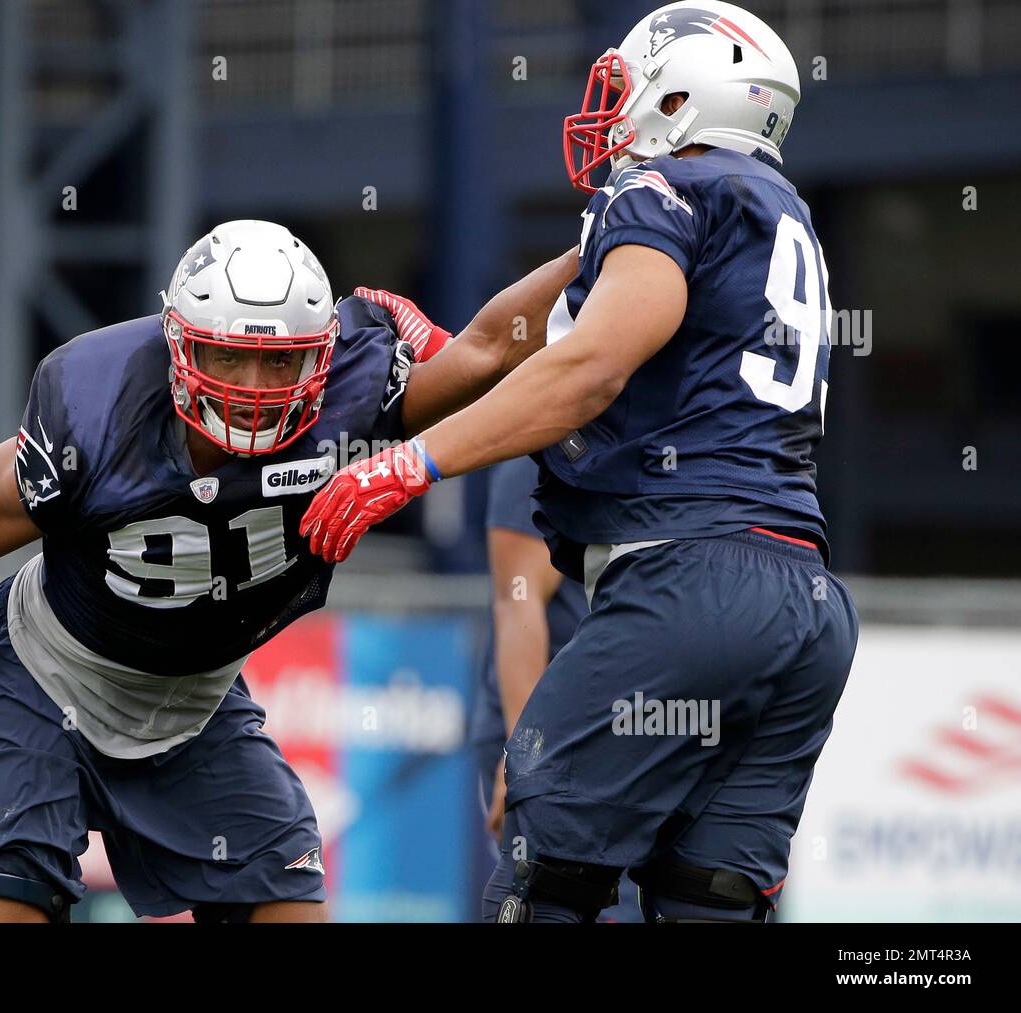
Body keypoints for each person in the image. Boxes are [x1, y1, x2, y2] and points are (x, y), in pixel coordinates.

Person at [0, 219, 575, 923]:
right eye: (228, 356)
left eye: (280, 363)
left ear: (323, 358)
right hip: (43, 683)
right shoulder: (97, 415)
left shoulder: (354, 400)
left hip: (194, 707)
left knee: (287, 907)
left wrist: (604, 237)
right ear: (178, 345)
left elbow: (488, 345)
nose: (253, 390)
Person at [301, 3, 860, 922]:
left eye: (628, 87)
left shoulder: (660, 193)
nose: (608, 111)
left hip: (687, 577)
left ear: (680, 97)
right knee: (709, 900)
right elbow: (506, 338)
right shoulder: (769, 208)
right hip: (806, 602)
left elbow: (592, 364)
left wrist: (408, 464)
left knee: (544, 878)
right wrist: (442, 356)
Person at [472, 456, 641, 922]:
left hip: (617, 728)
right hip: (554, 733)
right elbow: (518, 603)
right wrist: (523, 756)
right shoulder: (544, 453)